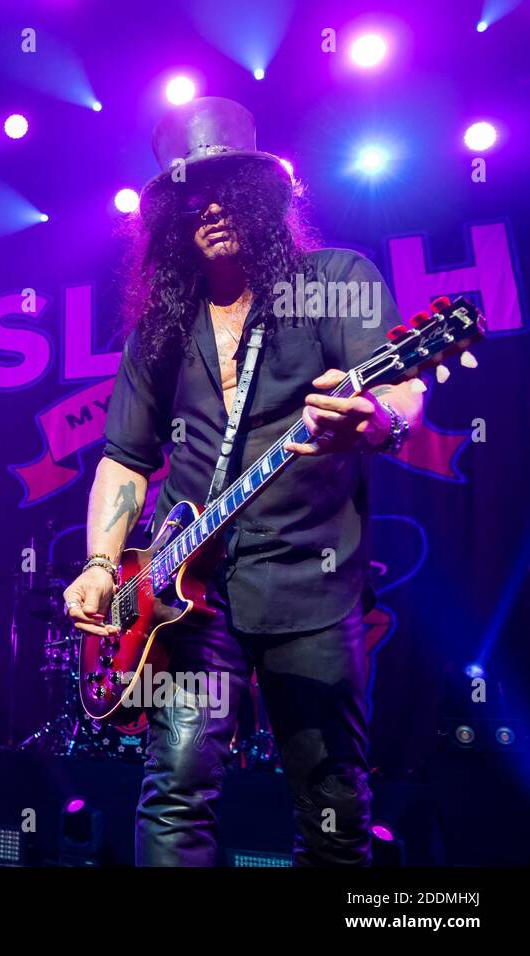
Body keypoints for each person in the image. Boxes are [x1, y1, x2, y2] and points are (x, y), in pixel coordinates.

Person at [63, 98, 421, 865]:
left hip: (311, 582)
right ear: (167, 216)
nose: (214, 204)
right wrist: (100, 566)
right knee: (176, 793)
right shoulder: (158, 329)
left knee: (332, 804)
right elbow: (124, 458)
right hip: (189, 598)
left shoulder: (333, 281)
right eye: (193, 193)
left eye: (230, 185)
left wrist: (375, 420)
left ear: (266, 195)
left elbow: (399, 391)